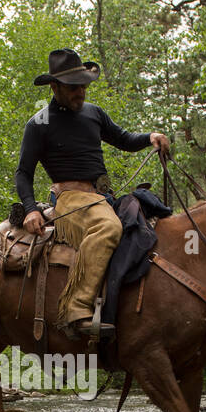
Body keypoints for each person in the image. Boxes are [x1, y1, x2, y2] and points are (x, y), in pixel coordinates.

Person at [14, 48, 170, 339]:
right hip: (70, 200)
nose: (80, 92)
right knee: (108, 227)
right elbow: (23, 172)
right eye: (74, 87)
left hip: (102, 196)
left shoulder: (94, 113)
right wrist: (30, 209)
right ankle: (77, 309)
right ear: (54, 87)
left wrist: (149, 138)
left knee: (151, 219)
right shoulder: (39, 123)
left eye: (83, 86)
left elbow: (123, 139)